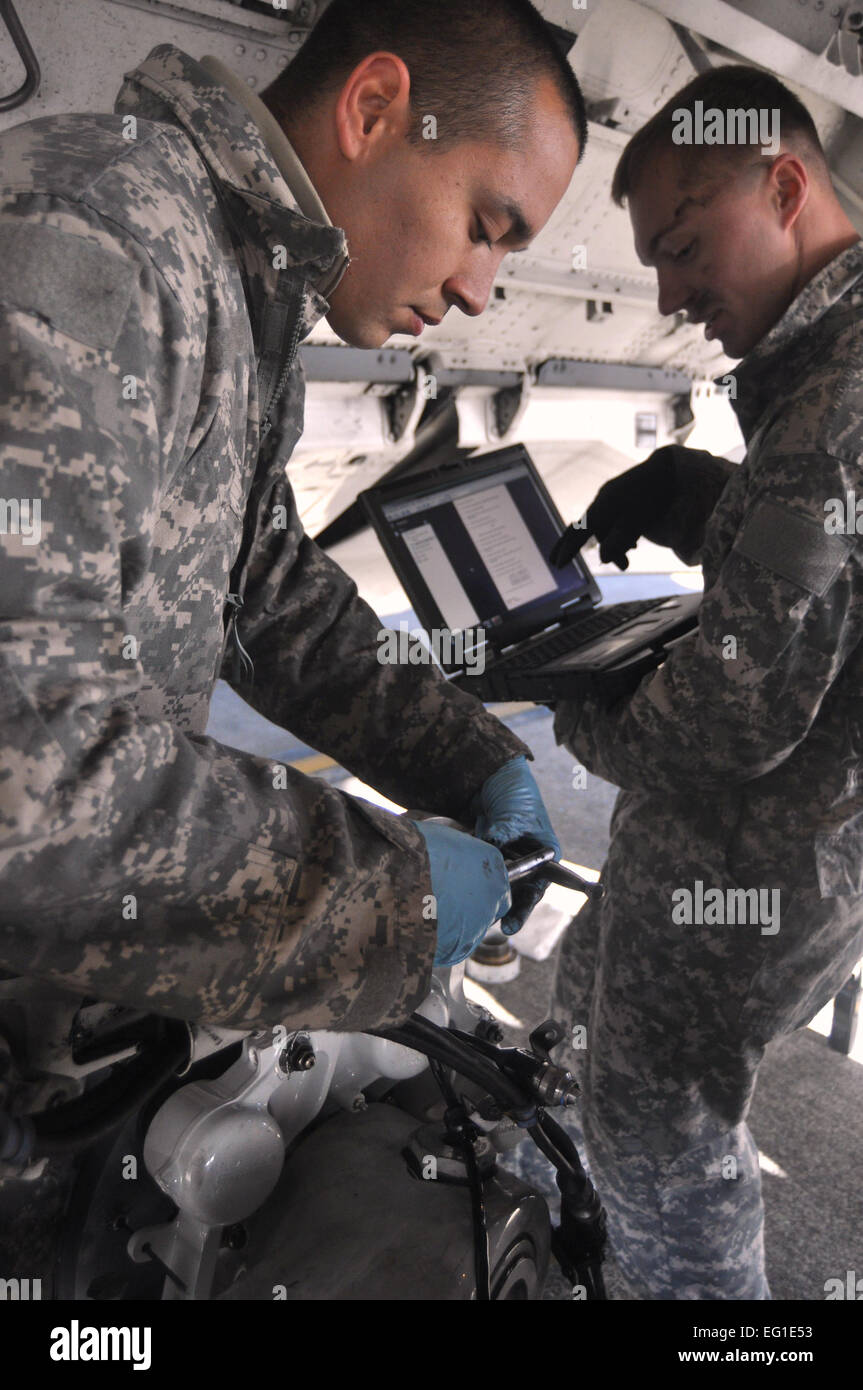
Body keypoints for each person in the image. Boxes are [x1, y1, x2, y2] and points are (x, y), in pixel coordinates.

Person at [0, 0, 584, 1277]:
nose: (484, 288)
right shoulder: (102, 243)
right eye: (486, 223)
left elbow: (261, 581)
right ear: (374, 109)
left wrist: (466, 757)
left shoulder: (226, 273)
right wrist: (393, 893)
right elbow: (23, 776)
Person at [550, 64, 863, 1300]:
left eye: (683, 248)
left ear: (782, 186)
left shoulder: (830, 409)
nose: (672, 297)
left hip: (756, 863)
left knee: (661, 1136)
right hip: (751, 847)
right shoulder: (819, 384)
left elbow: (725, 713)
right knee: (580, 1014)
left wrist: (577, 705)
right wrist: (712, 506)